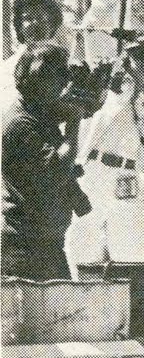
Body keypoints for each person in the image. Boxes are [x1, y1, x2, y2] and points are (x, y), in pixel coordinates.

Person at [66, 30, 144, 266]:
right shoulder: (109, 84)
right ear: (127, 57)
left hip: (129, 176)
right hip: (96, 170)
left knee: (134, 250)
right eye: (139, 54)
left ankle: (136, 298)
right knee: (85, 241)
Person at [2, 44, 92, 280]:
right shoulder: (21, 123)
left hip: (43, 243)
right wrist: (74, 121)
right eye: (54, 76)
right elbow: (57, 171)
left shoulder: (37, 115)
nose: (63, 84)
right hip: (24, 246)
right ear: (31, 79)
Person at [1, 0, 68, 117]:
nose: (35, 23)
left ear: (52, 25)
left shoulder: (65, 63)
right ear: (19, 27)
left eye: (41, 18)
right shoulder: (6, 70)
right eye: (28, 18)